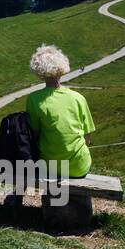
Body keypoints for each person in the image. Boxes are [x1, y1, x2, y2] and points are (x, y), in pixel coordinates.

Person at [24, 44, 95, 178]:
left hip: (49, 166)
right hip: (78, 166)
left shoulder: (33, 99)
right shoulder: (78, 98)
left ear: (39, 72)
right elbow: (88, 137)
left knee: (50, 196)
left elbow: (34, 133)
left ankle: (50, 198)